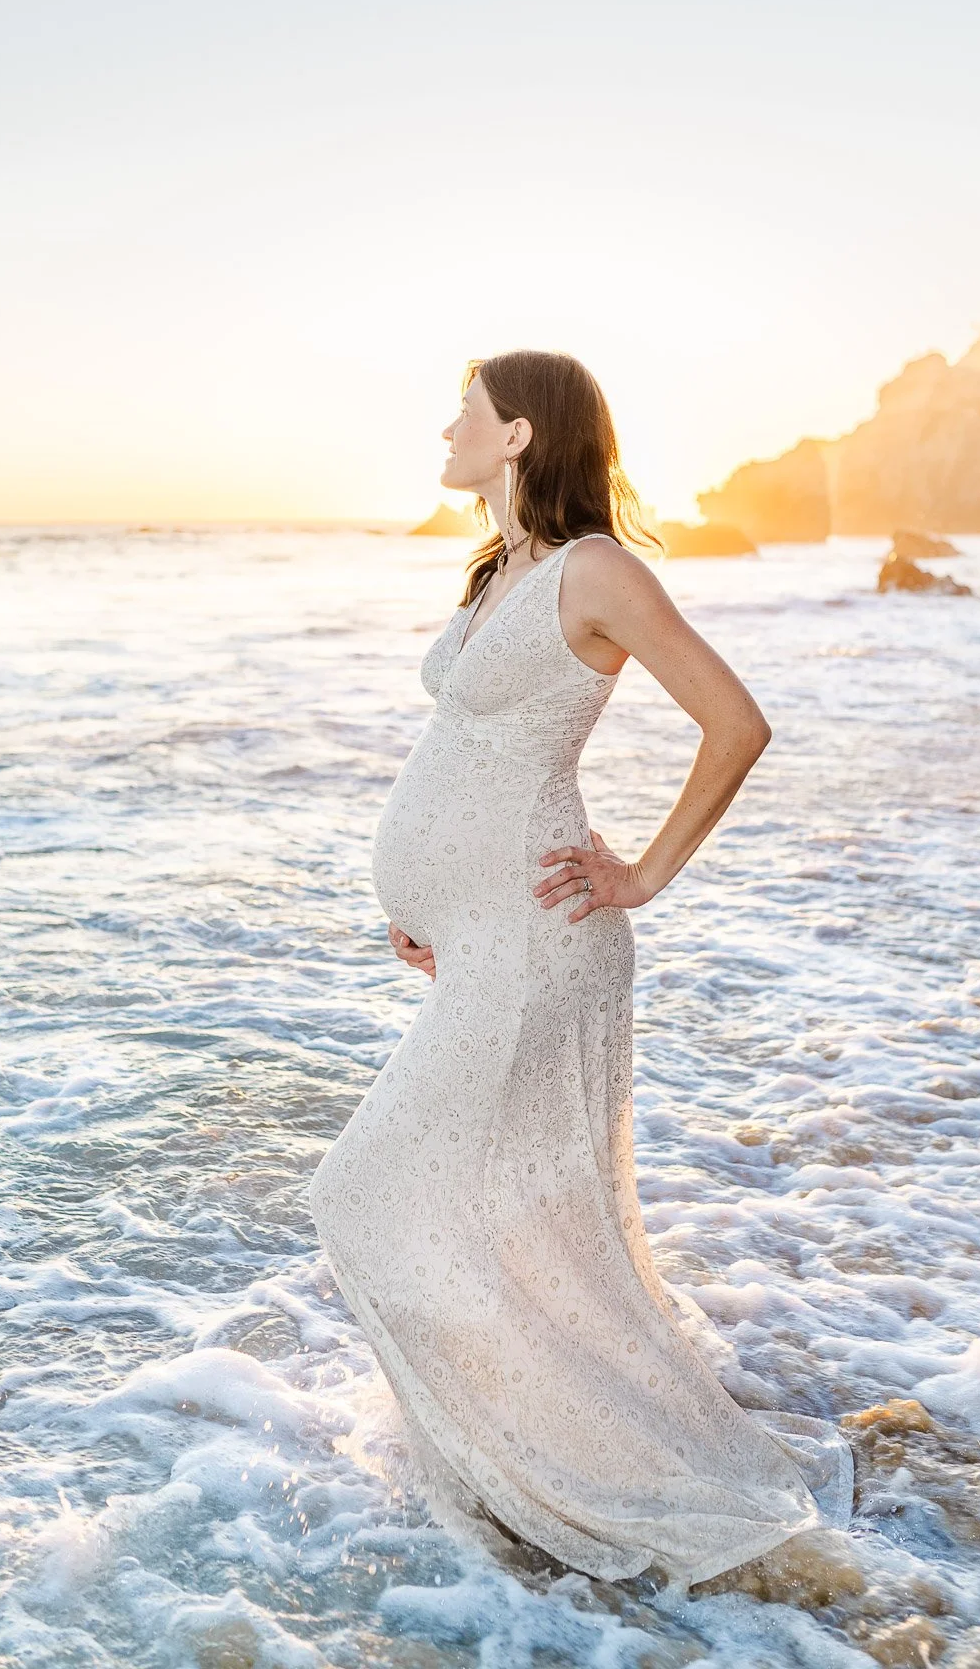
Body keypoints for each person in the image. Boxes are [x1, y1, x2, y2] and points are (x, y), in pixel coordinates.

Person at [308, 351, 849, 1585]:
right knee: (496, 1211)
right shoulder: (503, 568)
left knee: (363, 1193)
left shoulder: (597, 569)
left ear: (515, 434)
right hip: (484, 942)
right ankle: (510, 1466)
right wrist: (433, 901)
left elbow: (736, 721)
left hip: (547, 944)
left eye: (462, 409)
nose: (442, 427)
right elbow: (474, 759)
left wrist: (642, 873)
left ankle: (563, 1475)